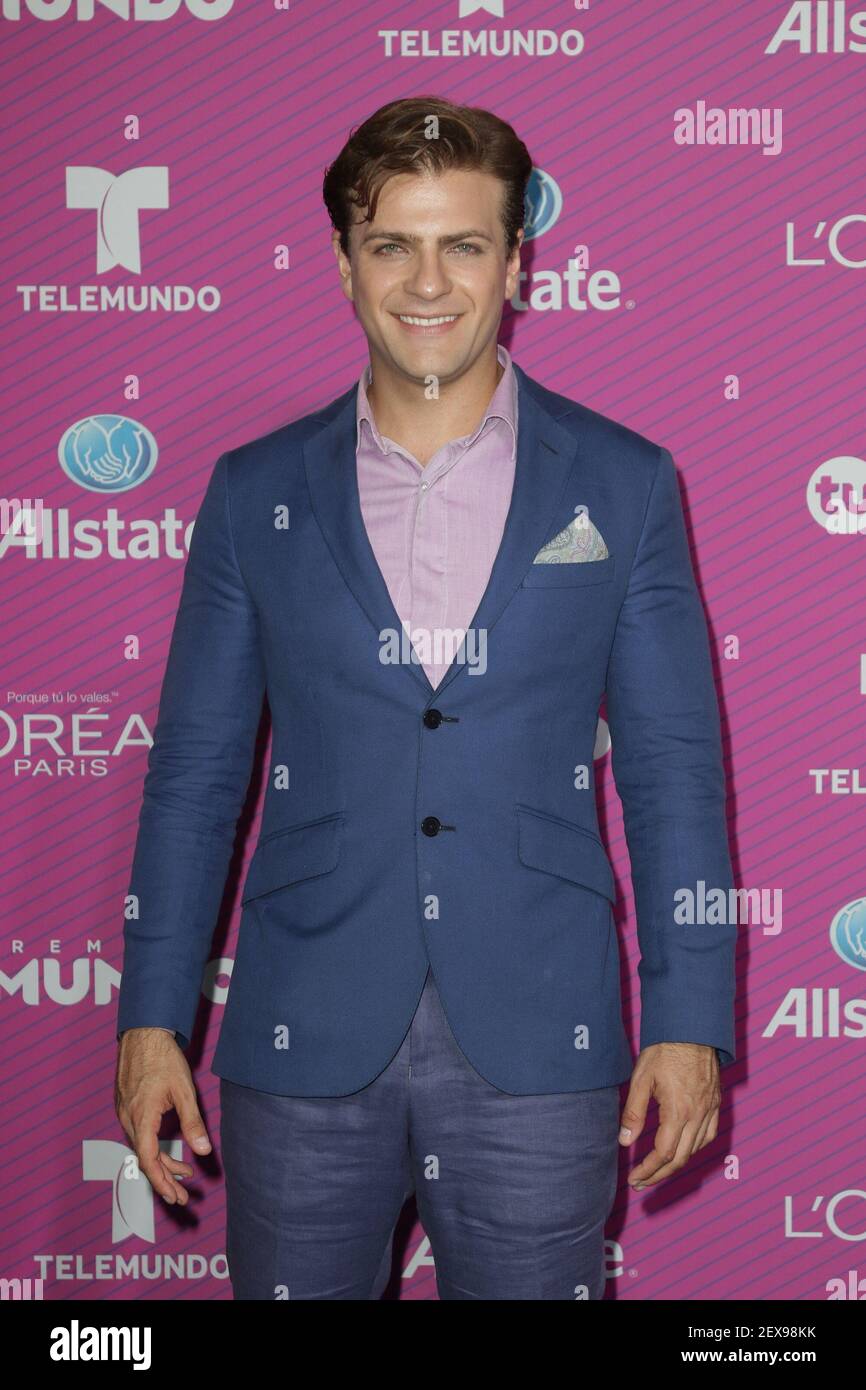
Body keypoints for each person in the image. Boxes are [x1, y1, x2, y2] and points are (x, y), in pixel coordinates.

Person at [115, 95, 737, 1301]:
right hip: (302, 1023)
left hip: (539, 1025)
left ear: (515, 261)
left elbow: (672, 771)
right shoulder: (253, 492)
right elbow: (194, 774)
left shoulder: (624, 481)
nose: (426, 280)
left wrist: (689, 1013)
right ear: (344, 261)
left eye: (462, 243)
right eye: (392, 242)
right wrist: (149, 1018)